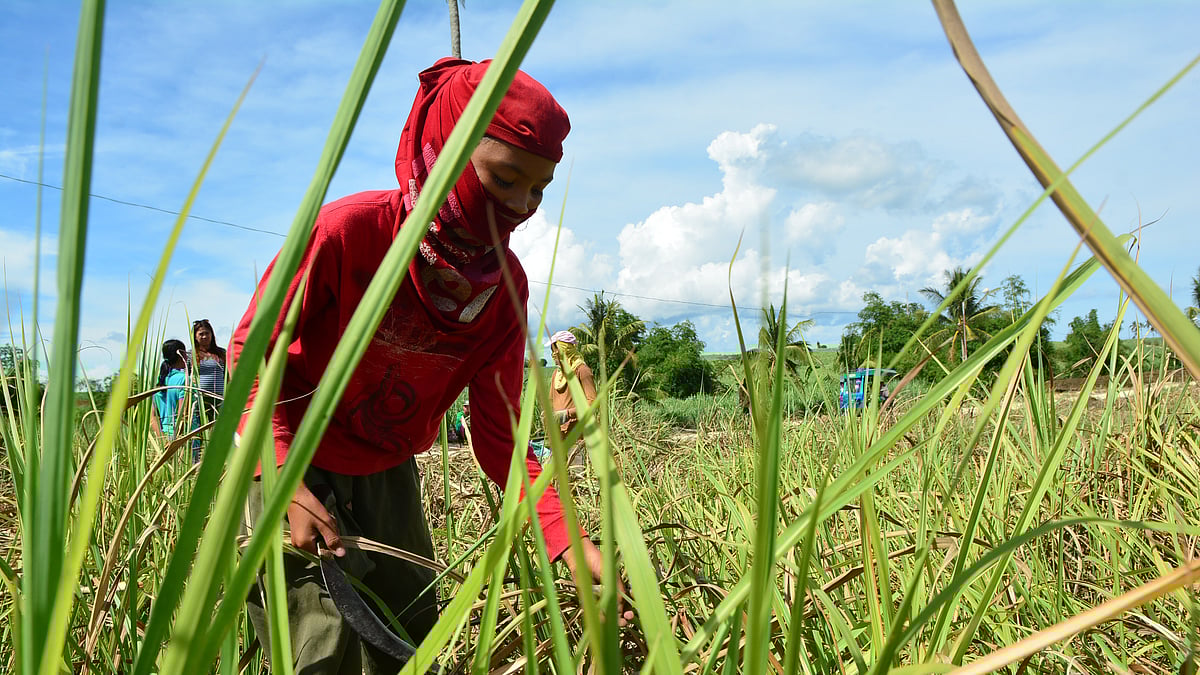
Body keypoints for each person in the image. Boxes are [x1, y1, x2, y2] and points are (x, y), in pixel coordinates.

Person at [229, 58, 628, 674]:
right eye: (505, 179)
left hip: (389, 467)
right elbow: (252, 355)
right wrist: (282, 480)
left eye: (539, 188)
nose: (523, 205)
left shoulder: (503, 291)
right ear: (445, 152)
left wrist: (562, 539)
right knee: (320, 646)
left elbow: (500, 438)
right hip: (292, 453)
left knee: (410, 633)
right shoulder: (349, 234)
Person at [546, 330, 597, 468]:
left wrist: (567, 414)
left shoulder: (582, 371)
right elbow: (551, 401)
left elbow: (592, 402)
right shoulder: (557, 374)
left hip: (576, 436)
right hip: (556, 436)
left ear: (564, 349)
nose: (553, 354)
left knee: (576, 475)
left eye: (555, 350)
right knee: (555, 477)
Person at [189, 319, 226, 462]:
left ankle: (218, 461)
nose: (204, 336)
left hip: (218, 398)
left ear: (212, 334)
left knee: (219, 431)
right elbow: (187, 376)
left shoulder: (221, 353)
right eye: (201, 334)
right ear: (195, 336)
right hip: (198, 400)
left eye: (207, 333)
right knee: (196, 433)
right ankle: (195, 464)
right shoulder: (191, 355)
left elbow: (228, 375)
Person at [150, 339, 188, 441]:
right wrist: (177, 439)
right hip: (183, 437)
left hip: (165, 435)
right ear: (181, 355)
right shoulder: (184, 380)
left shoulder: (160, 381)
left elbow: (152, 416)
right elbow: (183, 413)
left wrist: (162, 439)